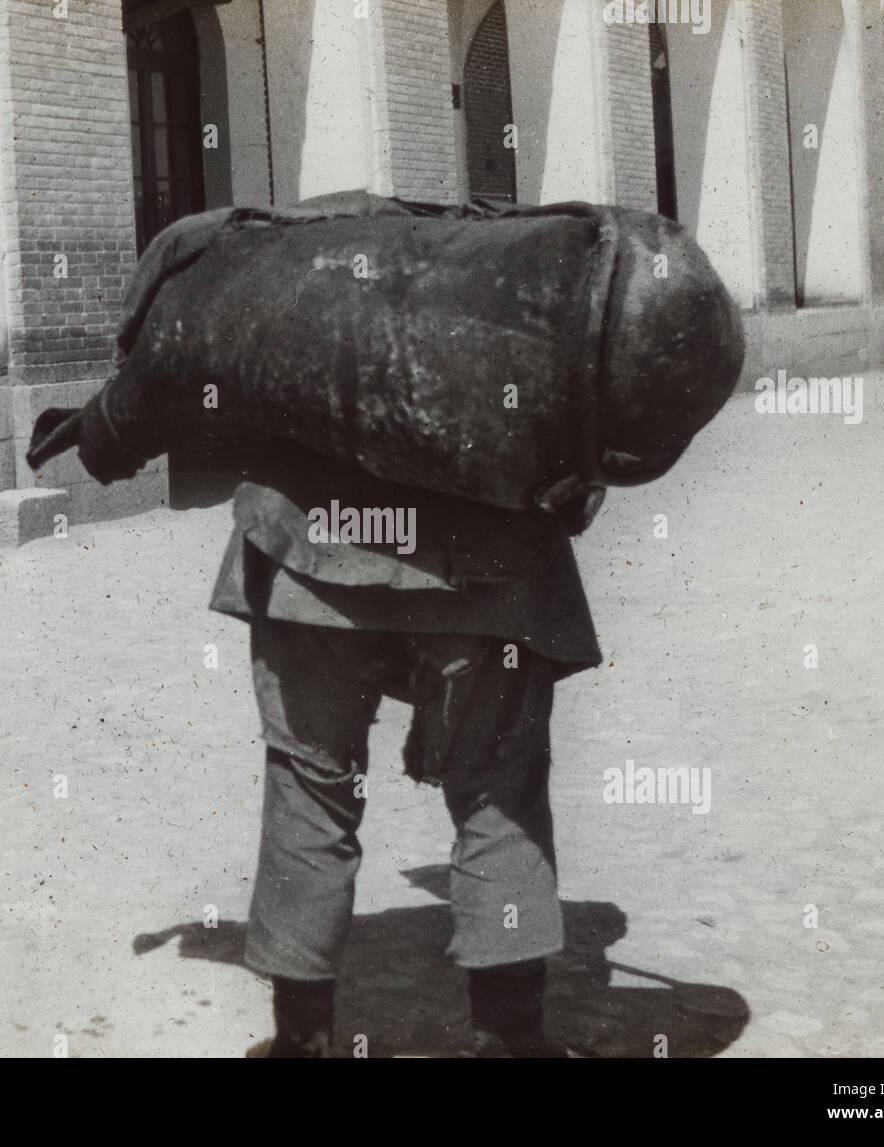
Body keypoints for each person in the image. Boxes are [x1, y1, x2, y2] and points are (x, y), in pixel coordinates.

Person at [206, 437, 605, 1057]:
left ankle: (301, 1043)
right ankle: (510, 1041)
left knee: (308, 790)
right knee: (499, 793)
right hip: (487, 564)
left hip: (310, 557)